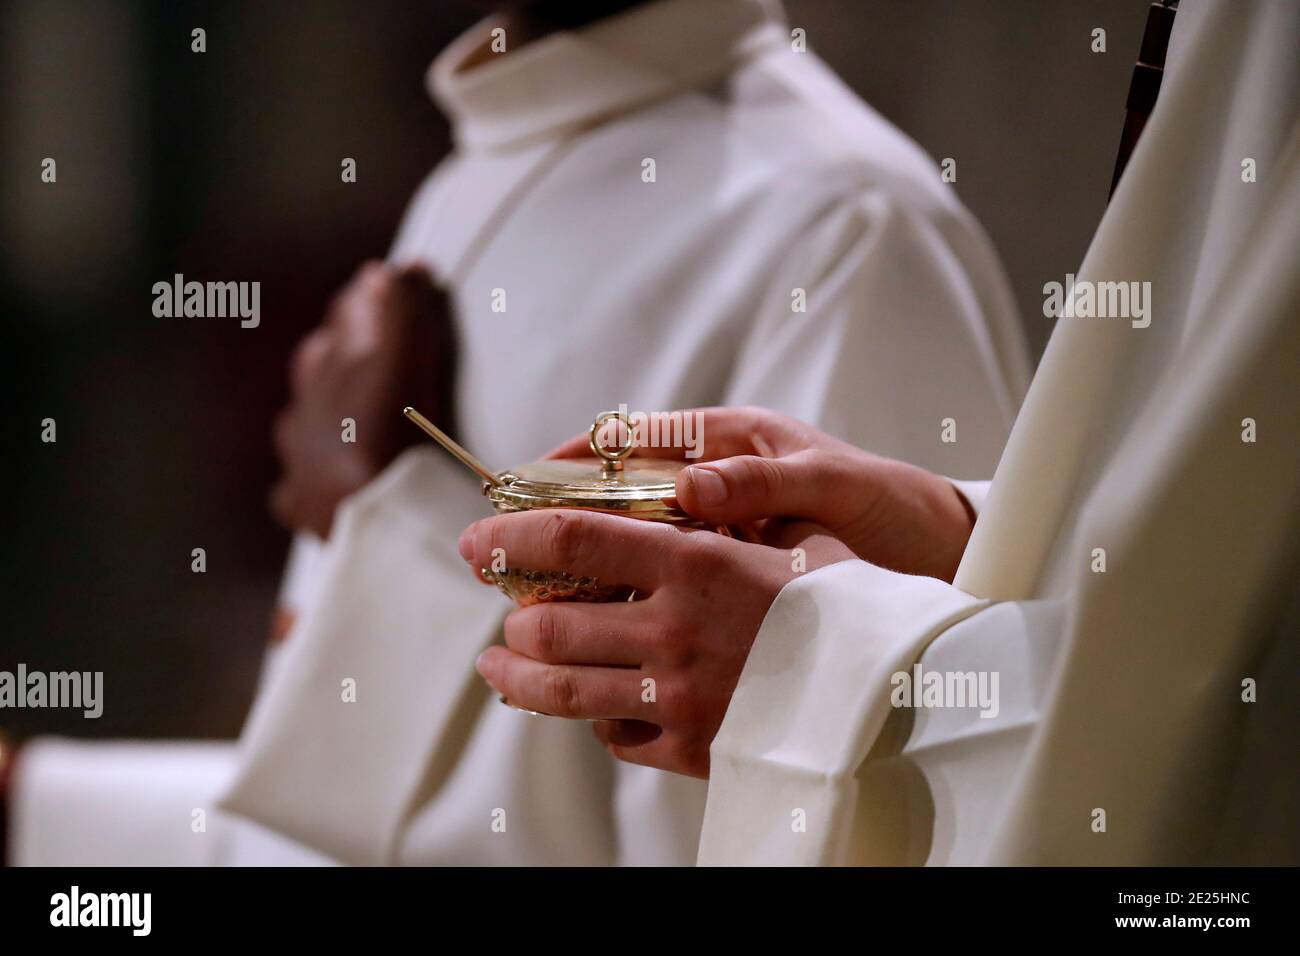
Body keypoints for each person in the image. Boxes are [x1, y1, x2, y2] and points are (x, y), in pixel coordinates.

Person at [9, 0, 1028, 865]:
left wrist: (383, 516)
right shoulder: (482, 163)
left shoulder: (848, 222)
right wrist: (43, 807)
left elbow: (848, 809)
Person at [459, 0, 1300, 865]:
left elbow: (1252, 728)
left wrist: (818, 677)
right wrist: (967, 535)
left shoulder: (849, 214)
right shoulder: (470, 163)